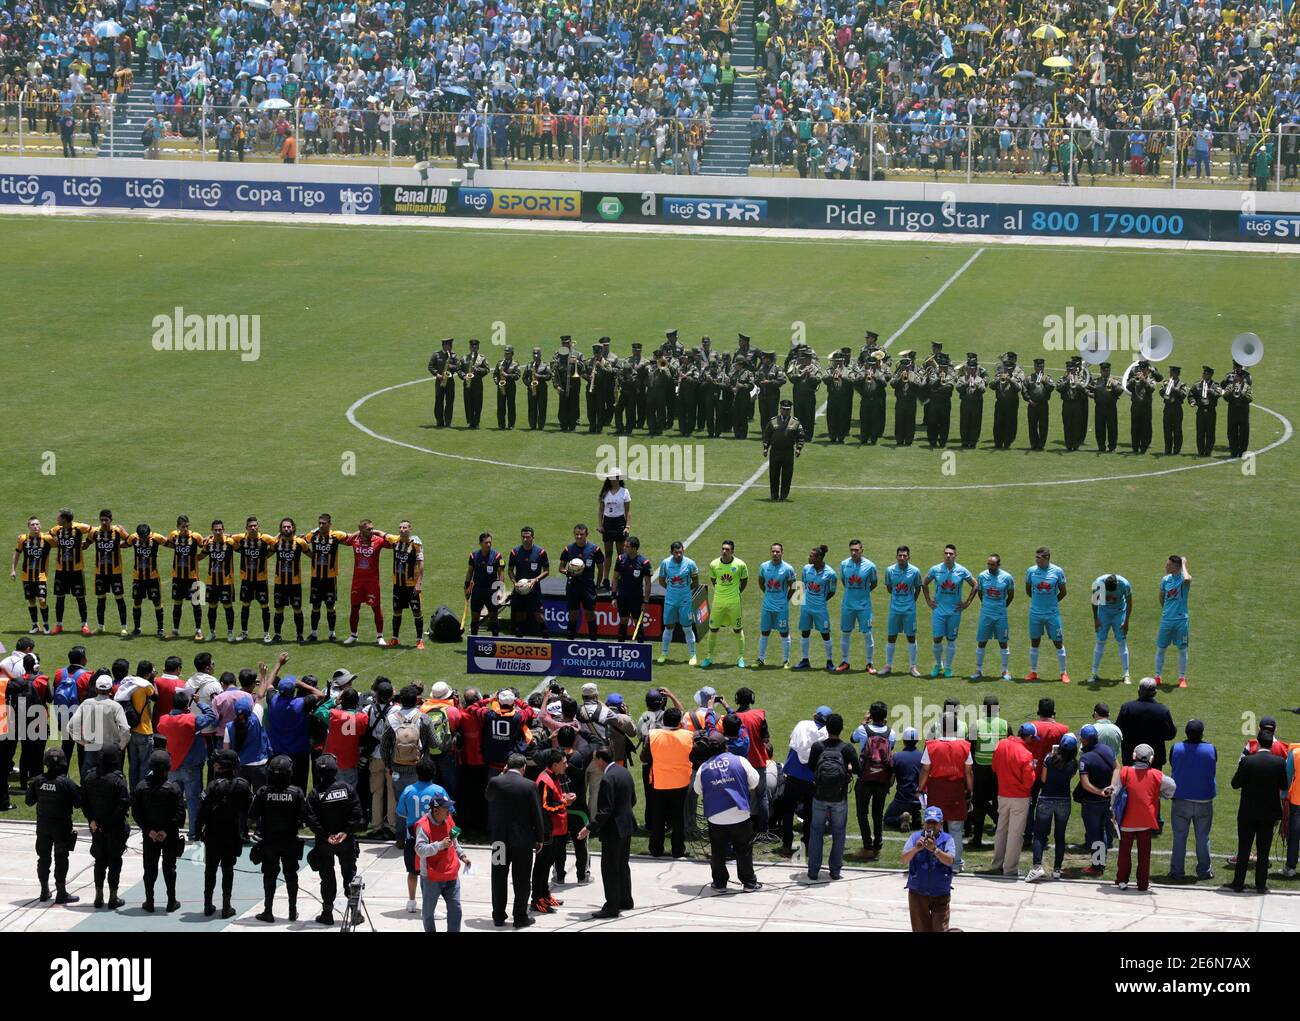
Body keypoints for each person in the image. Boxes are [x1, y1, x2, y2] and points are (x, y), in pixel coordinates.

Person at [694, 732, 762, 891]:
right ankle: (749, 882)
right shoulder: (740, 760)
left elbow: (698, 790)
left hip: (716, 817)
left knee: (717, 851)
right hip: (740, 813)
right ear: (725, 745)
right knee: (743, 849)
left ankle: (719, 883)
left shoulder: (703, 768)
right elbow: (755, 781)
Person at [485, 752, 545, 928]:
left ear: (506, 766)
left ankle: (498, 916)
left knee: (498, 878)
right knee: (522, 880)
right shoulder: (530, 785)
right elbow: (537, 814)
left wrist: (501, 774)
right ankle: (519, 916)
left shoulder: (496, 782)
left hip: (499, 841)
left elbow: (488, 796)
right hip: (522, 842)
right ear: (523, 767)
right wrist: (540, 838)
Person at [305, 752, 364, 926]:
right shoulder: (347, 788)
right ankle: (354, 913)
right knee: (350, 876)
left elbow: (311, 819)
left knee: (327, 878)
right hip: (345, 842)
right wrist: (345, 832)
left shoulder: (315, 794)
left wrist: (325, 836)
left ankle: (327, 913)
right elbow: (357, 812)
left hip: (325, 843)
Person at [249, 754, 307, 923]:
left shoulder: (263, 792)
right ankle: (292, 910)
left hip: (269, 841)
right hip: (289, 840)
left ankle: (268, 911)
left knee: (269, 876)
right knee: (291, 875)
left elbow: (251, 817)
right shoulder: (296, 793)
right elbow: (304, 818)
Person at [196, 749, 252, 918]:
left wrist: (198, 832)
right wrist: (244, 831)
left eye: (217, 763)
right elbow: (249, 811)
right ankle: (226, 906)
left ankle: (207, 904)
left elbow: (201, 813)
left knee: (210, 870)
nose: (214, 765)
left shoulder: (213, 786)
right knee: (228, 870)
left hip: (213, 834)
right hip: (232, 834)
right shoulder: (243, 786)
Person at [1230, 728, 1288, 894]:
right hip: (1268, 814)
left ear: (1259, 742)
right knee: (1264, 850)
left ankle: (1238, 883)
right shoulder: (1279, 763)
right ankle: (1261, 885)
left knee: (1244, 849)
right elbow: (1284, 785)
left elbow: (1235, 783)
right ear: (1271, 744)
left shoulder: (1247, 762)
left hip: (1248, 812)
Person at [155, 689, 217, 840]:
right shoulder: (192, 720)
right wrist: (199, 703)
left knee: (171, 801)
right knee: (193, 800)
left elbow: (162, 727)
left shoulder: (164, 720)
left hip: (172, 767)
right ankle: (193, 833)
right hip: (191, 767)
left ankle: (170, 831)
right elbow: (211, 716)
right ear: (186, 706)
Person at [1115, 743, 1176, 891]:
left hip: (1126, 821)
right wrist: (1160, 794)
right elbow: (1172, 786)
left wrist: (1113, 814)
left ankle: (1122, 880)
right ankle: (1142, 884)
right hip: (1146, 821)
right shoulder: (1156, 774)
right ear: (1151, 759)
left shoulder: (1125, 772)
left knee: (1124, 852)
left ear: (1134, 757)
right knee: (1144, 854)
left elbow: (1116, 794)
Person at [132, 749, 185, 913]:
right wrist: (166, 831)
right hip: (168, 835)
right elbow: (180, 815)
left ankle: (149, 901)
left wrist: (149, 831)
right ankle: (171, 901)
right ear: (168, 768)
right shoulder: (173, 789)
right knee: (170, 867)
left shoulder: (141, 788)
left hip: (150, 836)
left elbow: (136, 813)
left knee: (149, 868)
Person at [807, 713, 859, 881]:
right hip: (839, 797)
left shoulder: (817, 747)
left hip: (819, 796)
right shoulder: (847, 749)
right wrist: (848, 769)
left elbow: (811, 767)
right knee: (839, 833)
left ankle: (813, 870)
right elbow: (859, 769)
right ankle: (835, 871)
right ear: (841, 728)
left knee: (816, 832)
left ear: (826, 728)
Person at [918, 715, 973, 873]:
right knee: (956, 829)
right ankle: (955, 864)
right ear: (956, 728)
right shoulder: (965, 746)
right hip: (956, 790)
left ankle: (931, 860)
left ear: (941, 727)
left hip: (936, 790)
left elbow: (925, 770)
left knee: (932, 827)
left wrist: (920, 788)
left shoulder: (931, 746)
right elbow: (968, 772)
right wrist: (970, 790)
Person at [27, 748, 81, 904]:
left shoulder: (38, 781)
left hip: (43, 827)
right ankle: (61, 892)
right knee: (61, 858)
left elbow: (29, 801)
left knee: (43, 858)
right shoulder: (67, 783)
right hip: (61, 828)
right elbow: (79, 803)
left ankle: (44, 890)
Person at [587, 748, 637, 917]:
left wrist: (589, 827)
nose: (595, 763)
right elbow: (633, 799)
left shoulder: (607, 779)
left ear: (601, 760)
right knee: (623, 865)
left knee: (609, 868)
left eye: (595, 760)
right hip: (626, 826)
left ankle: (612, 906)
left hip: (613, 831)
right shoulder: (624, 772)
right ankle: (625, 899)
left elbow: (604, 810)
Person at [81, 745, 130, 910]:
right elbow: (123, 805)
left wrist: (92, 821)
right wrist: (106, 823)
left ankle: (98, 896)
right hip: (114, 828)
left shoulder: (89, 778)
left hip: (97, 828)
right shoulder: (118, 780)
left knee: (99, 861)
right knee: (115, 861)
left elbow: (84, 802)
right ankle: (113, 897)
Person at [1168, 720, 1216, 881]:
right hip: (1204, 800)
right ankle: (1204, 871)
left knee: (1179, 837)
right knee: (1203, 837)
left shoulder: (1176, 748)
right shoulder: (1211, 749)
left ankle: (1177, 871)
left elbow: (1173, 765)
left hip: (1181, 799)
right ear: (1202, 733)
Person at [413, 793, 469, 932]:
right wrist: (439, 845)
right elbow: (420, 849)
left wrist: (462, 855)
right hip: (432, 877)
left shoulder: (448, 818)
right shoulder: (423, 826)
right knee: (428, 913)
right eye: (446, 808)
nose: (449, 811)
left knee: (455, 909)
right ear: (436, 810)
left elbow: (454, 841)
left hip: (451, 873)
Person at [1026, 733, 1077, 882]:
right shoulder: (1074, 763)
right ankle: (1056, 870)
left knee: (1040, 835)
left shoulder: (1049, 759)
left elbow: (1043, 779)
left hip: (1046, 798)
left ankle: (1037, 866)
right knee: (1060, 836)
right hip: (1064, 800)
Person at [990, 723, 1038, 878]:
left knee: (1001, 830)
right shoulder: (1026, 754)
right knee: (1015, 834)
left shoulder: (1001, 745)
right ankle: (1010, 869)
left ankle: (997, 864)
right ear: (1029, 737)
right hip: (1019, 798)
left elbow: (995, 767)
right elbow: (1028, 782)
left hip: (1002, 795)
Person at [645, 707, 693, 858]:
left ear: (664, 720)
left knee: (658, 816)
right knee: (678, 817)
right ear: (679, 722)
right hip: (681, 783)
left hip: (659, 783)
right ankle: (678, 850)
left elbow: (644, 758)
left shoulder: (653, 735)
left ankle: (656, 849)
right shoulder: (689, 735)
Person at [922, 543, 976, 678]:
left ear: (955, 555)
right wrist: (928, 600)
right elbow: (924, 583)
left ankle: (948, 667)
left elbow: (975, 585)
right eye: (946, 553)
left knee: (951, 639)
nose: (948, 556)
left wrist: (967, 602)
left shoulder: (962, 571)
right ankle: (937, 664)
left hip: (954, 611)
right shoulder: (936, 569)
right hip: (938, 610)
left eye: (951, 554)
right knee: (937, 638)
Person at [901, 806, 956, 932]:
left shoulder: (948, 839)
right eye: (928, 822)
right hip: (918, 893)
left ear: (941, 824)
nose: (931, 826)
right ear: (923, 823)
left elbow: (949, 860)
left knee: (940, 929)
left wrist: (935, 850)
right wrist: (916, 849)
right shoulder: (915, 838)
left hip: (941, 893)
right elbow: (904, 859)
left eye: (934, 823)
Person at [851, 703, 895, 859]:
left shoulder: (863, 730)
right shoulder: (891, 733)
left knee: (862, 813)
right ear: (885, 716)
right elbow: (890, 750)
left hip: (865, 778)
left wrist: (864, 722)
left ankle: (867, 847)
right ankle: (878, 846)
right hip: (883, 779)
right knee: (878, 813)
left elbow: (852, 738)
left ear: (871, 715)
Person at [531, 748, 573, 913]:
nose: (566, 766)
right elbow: (545, 806)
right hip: (547, 831)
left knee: (548, 864)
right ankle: (537, 899)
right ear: (555, 765)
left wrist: (563, 799)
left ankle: (545, 894)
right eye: (564, 763)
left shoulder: (555, 776)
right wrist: (564, 803)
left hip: (556, 830)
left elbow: (555, 799)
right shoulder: (544, 780)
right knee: (541, 865)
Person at [1076, 724, 1120, 876]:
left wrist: (1100, 792)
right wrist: (1112, 787)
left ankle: (1097, 866)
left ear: (1085, 740)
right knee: (1102, 832)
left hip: (1092, 803)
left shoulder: (1085, 758)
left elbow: (1085, 784)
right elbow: (1117, 768)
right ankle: (1101, 862)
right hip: (1106, 802)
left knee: (1095, 835)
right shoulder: (1107, 750)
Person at [67, 674, 130, 775]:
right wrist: (120, 747)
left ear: (96, 689)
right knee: (112, 781)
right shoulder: (115, 706)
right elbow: (125, 729)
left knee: (88, 780)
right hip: (111, 749)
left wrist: (83, 742)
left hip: (91, 747)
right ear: (110, 690)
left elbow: (71, 725)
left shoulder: (86, 703)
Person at [1025, 546, 1069, 683]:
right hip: (1035, 613)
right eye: (1036, 557)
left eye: (1039, 558)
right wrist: (1038, 602)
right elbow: (1028, 590)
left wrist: (1052, 603)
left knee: (1058, 642)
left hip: (1052, 614)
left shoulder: (1057, 571)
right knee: (1034, 642)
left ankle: (1063, 673)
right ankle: (1033, 672)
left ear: (1047, 558)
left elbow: (1063, 592)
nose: (1036, 560)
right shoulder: (1031, 571)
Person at [969, 694, 1007, 849]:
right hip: (998, 770)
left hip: (980, 769)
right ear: (998, 709)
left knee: (978, 803)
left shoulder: (975, 725)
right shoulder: (1005, 724)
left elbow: (970, 747)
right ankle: (1001, 833)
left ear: (984, 709)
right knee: (998, 802)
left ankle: (977, 838)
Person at [836, 539, 878, 673]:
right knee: (845, 633)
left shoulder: (870, 566)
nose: (854, 553)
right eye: (851, 550)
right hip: (848, 605)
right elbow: (844, 581)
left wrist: (862, 593)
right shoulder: (844, 564)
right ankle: (845, 661)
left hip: (864, 606)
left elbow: (874, 583)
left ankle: (869, 663)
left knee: (867, 633)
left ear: (862, 550)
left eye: (856, 550)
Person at [704, 540, 748, 668]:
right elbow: (713, 580)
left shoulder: (740, 565)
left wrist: (736, 593)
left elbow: (744, 581)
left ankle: (740, 658)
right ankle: (709, 657)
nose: (724, 551)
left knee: (738, 630)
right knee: (713, 629)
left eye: (727, 549)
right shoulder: (714, 564)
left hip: (734, 603)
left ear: (732, 551)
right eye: (723, 549)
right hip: (718, 602)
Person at [971, 554, 1015, 680]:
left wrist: (1002, 606)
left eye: (992, 564)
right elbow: (980, 593)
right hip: (986, 614)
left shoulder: (1007, 578)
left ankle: (1004, 671)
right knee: (981, 642)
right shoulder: (982, 576)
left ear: (998, 564)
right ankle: (978, 670)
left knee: (1003, 642)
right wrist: (987, 606)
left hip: (1001, 615)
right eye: (988, 564)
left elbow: (1011, 595)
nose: (990, 567)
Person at [880, 545, 922, 677]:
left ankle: (913, 667)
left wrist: (910, 601)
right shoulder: (890, 570)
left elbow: (918, 588)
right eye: (900, 555)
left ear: (909, 557)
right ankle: (888, 665)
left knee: (911, 636)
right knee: (891, 636)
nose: (902, 558)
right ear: (896, 556)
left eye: (905, 556)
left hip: (909, 610)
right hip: (894, 609)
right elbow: (889, 588)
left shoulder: (915, 571)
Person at [656, 541, 700, 665]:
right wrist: (672, 591)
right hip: (670, 600)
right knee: (669, 627)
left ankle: (693, 655)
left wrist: (685, 592)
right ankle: (664, 653)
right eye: (676, 553)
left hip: (685, 600)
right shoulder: (665, 563)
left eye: (680, 552)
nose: (679, 555)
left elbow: (695, 581)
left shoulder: (690, 563)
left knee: (687, 627)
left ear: (683, 551)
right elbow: (661, 580)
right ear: (671, 552)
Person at [1117, 678, 1176, 768]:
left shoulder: (1127, 708)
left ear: (1138, 691)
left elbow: (1118, 731)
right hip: (1155, 759)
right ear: (1155, 693)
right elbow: (1170, 734)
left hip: (1130, 756)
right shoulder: (1162, 710)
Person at [756, 542, 795, 668]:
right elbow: (761, 583)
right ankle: (761, 659)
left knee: (784, 632)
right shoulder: (764, 566)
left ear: (782, 553)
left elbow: (793, 586)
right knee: (764, 632)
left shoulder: (788, 569)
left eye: (778, 552)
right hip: (767, 606)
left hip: (781, 608)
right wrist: (768, 595)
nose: (775, 554)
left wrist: (785, 599)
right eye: (773, 551)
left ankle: (786, 660)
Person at [560, 524, 603, 640]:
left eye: (581, 534)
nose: (579, 537)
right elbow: (561, 568)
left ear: (587, 535)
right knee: (573, 614)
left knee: (590, 613)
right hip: (573, 586)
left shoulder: (595, 549)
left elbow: (601, 568)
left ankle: (593, 640)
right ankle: (570, 639)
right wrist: (569, 572)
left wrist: (598, 585)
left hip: (588, 586)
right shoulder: (568, 549)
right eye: (577, 534)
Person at [1155, 554, 1191, 688]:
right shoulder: (1165, 580)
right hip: (1166, 620)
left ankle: (1182, 678)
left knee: (1182, 649)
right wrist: (1166, 611)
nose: (1166, 566)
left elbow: (1187, 578)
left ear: (1176, 567)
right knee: (1161, 649)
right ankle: (1157, 676)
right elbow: (1161, 596)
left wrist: (1184, 565)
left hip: (1181, 621)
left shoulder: (1183, 579)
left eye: (1168, 565)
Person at [1089, 572, 1133, 684]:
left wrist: (1126, 621)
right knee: (1100, 641)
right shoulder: (1098, 583)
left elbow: (1129, 602)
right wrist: (1096, 619)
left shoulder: (1125, 584)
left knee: (1122, 641)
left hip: (1119, 612)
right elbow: (1094, 602)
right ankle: (1094, 673)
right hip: (1103, 612)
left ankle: (1126, 674)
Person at [508, 526, 550, 638]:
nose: (525, 539)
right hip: (519, 589)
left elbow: (546, 571)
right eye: (523, 537)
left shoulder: (540, 552)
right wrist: (514, 582)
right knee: (520, 615)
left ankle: (546, 638)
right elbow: (510, 570)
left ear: (533, 537)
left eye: (528, 537)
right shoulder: (514, 552)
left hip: (534, 589)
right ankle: (519, 638)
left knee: (538, 615)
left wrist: (535, 580)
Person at [762, 399, 804, 502]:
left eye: (788, 410)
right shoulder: (773, 420)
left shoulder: (795, 421)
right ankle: (774, 494)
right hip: (775, 451)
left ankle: (784, 495)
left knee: (787, 474)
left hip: (788, 451)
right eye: (784, 409)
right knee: (774, 474)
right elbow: (767, 435)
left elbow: (801, 436)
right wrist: (765, 448)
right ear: (780, 409)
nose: (786, 411)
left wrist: (798, 448)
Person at [464, 532, 504, 638]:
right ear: (480, 543)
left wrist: (500, 590)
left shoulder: (497, 556)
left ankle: (495, 640)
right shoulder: (473, 556)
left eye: (490, 542)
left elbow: (501, 574)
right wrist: (466, 587)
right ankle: (474, 641)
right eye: (486, 543)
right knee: (475, 617)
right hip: (477, 591)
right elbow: (470, 572)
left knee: (493, 617)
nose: (489, 545)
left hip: (492, 592)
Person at [596, 474, 631, 590]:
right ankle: (605, 579)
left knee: (621, 553)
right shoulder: (605, 492)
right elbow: (601, 510)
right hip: (608, 523)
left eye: (617, 477)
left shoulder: (624, 492)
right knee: (608, 553)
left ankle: (620, 577)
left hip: (619, 522)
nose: (615, 480)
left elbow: (627, 511)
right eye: (612, 477)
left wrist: (627, 526)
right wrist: (600, 525)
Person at [884, 727, 924, 829]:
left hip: (902, 799)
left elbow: (891, 781)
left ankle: (901, 818)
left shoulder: (897, 757)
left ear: (904, 741)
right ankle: (915, 816)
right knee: (914, 808)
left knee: (888, 818)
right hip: (919, 800)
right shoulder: (923, 756)